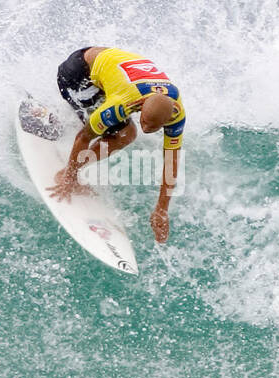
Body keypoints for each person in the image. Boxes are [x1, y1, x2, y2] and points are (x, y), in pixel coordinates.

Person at [49, 45, 185, 243]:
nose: (145, 128)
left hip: (110, 68)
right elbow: (84, 138)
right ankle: (65, 164)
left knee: (124, 132)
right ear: (141, 107)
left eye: (152, 126)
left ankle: (61, 121)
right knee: (123, 133)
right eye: (144, 120)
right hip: (78, 72)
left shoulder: (177, 112)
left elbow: (171, 160)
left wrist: (162, 210)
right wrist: (70, 178)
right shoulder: (123, 103)